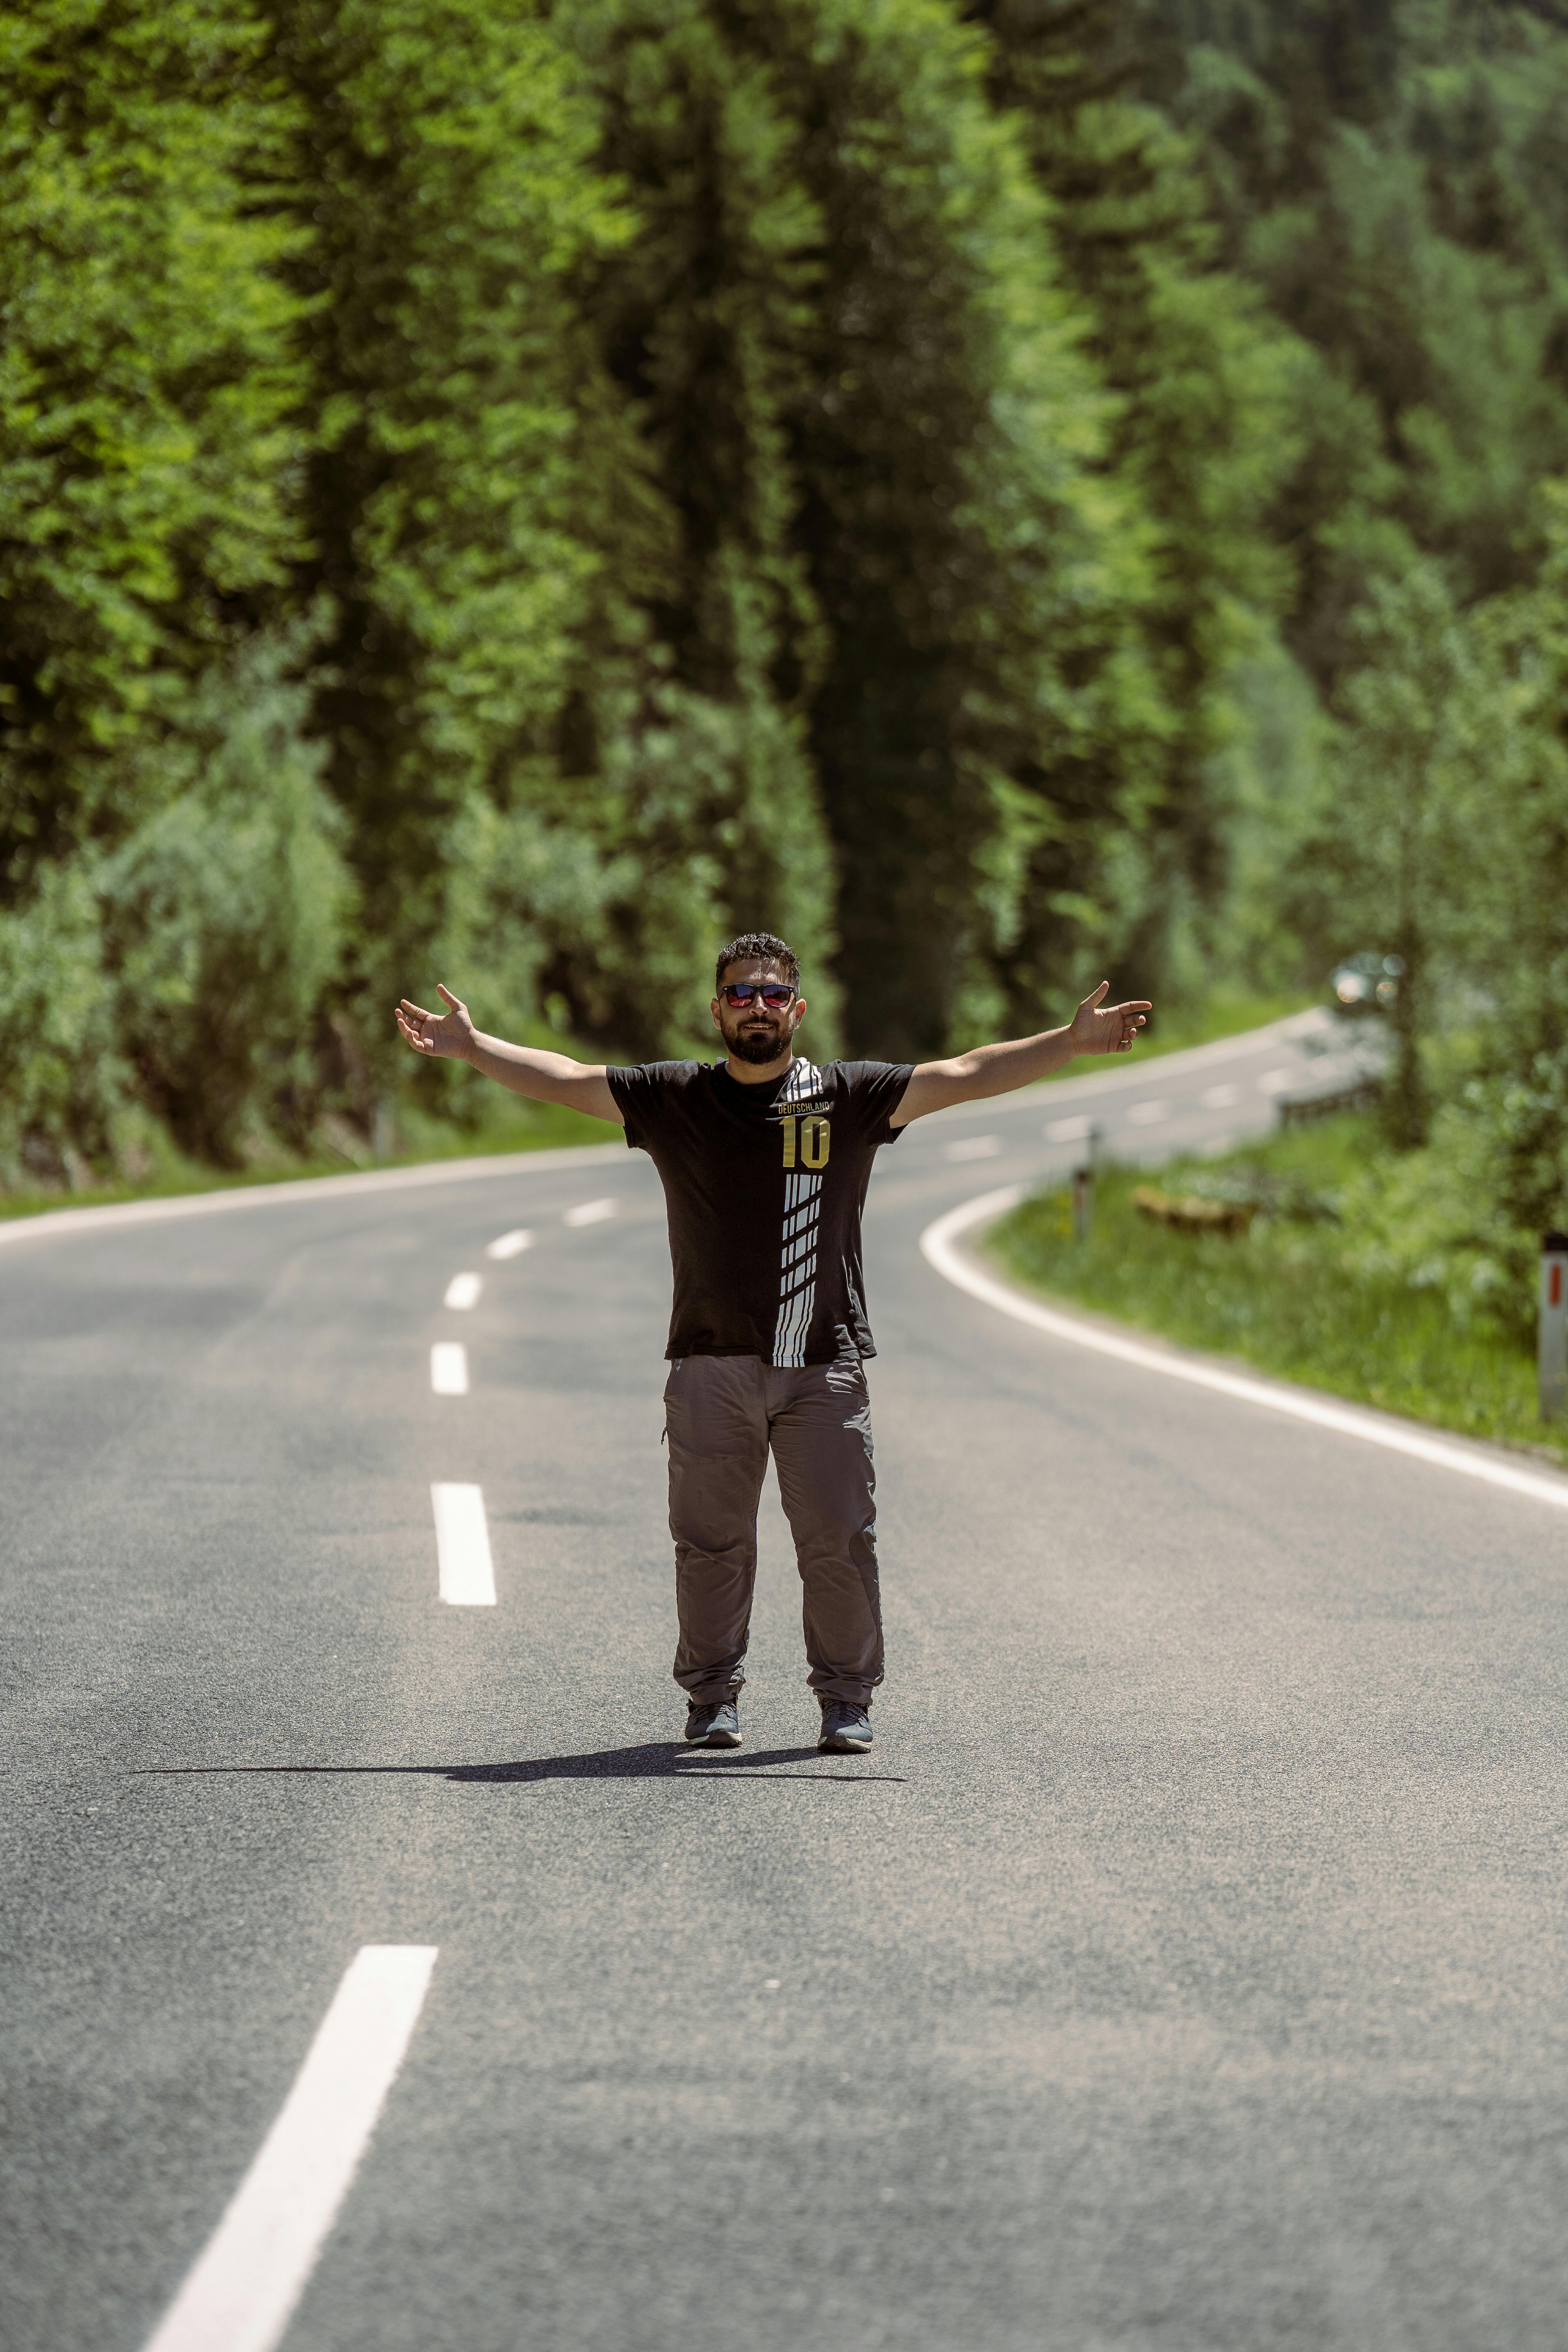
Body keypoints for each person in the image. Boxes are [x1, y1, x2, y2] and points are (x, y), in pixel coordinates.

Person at [396, 934, 1149, 1754]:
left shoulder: (847, 1097)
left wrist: (1069, 1042)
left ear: (798, 1009)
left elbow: (966, 1072)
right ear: (716, 1009)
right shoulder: (677, 1097)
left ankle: (846, 1700)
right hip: (708, 1364)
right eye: (740, 993)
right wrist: (474, 1048)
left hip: (822, 1368)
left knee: (839, 1542)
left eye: (771, 994)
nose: (756, 1006)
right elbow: (569, 1077)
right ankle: (711, 1696)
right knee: (709, 1547)